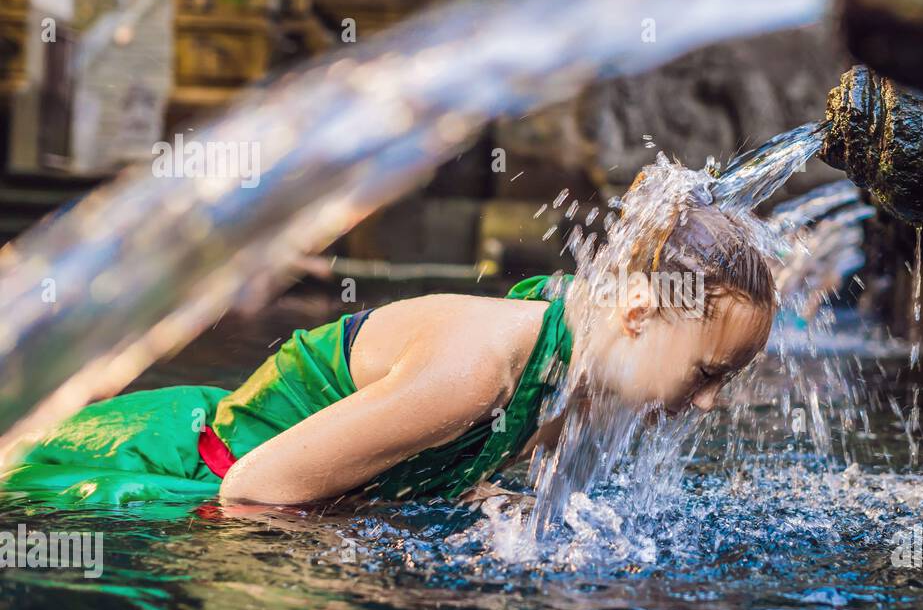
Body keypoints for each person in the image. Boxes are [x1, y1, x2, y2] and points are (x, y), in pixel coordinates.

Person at [0, 196, 775, 514]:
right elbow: (255, 493)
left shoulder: (574, 337)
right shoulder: (477, 371)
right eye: (708, 372)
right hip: (169, 479)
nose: (708, 401)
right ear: (639, 312)